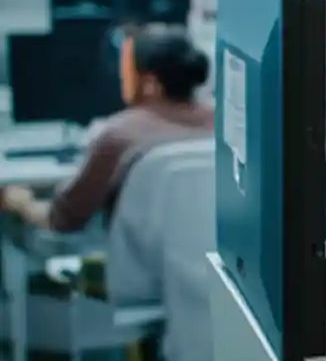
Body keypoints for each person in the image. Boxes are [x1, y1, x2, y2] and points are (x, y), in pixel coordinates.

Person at [3, 28, 214, 232]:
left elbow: (64, 219)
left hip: (139, 266)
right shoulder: (219, 125)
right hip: (203, 262)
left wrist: (22, 203)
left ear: (150, 82)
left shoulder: (120, 135)